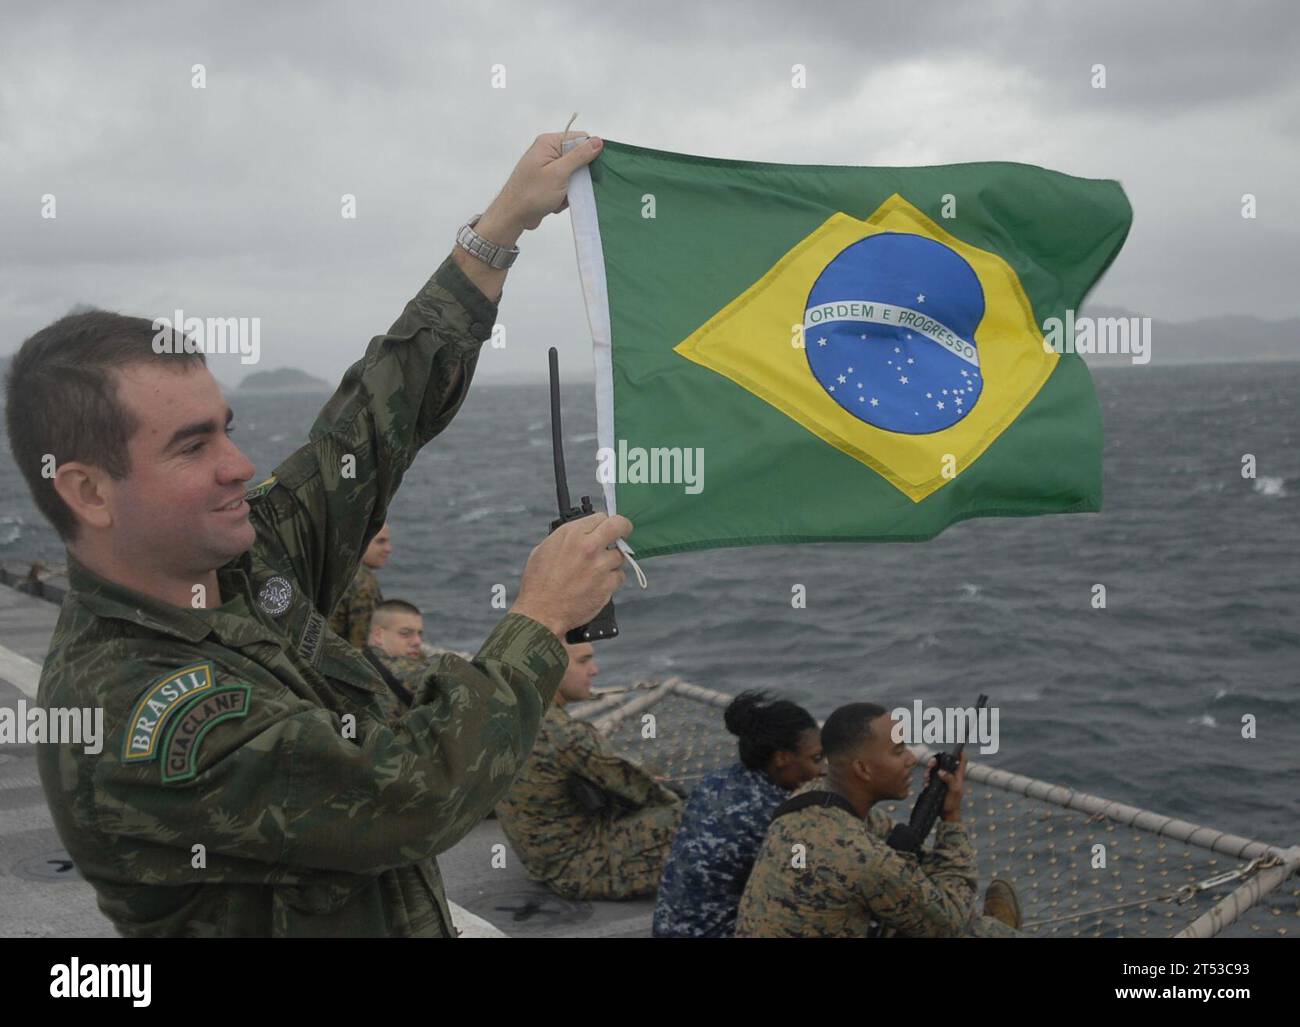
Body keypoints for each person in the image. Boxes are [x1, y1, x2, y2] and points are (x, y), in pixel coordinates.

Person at [7, 130, 629, 938]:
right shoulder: (134, 715)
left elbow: (369, 426)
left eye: (226, 429)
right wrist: (541, 617)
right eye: (193, 446)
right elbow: (413, 793)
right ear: (88, 490)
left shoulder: (238, 558)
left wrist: (500, 226)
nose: (238, 465)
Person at [735, 702, 1024, 938]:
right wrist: (950, 817)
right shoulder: (867, 861)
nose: (911, 758)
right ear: (862, 768)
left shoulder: (806, 799)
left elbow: (883, 847)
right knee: (972, 930)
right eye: (898, 751)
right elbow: (951, 921)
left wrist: (929, 805)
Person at [495, 641, 683, 900]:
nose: (594, 670)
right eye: (583, 661)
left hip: (539, 859)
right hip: (578, 869)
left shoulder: (518, 714)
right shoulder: (565, 733)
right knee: (689, 814)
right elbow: (647, 793)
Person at [653, 690, 823, 937]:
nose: (822, 770)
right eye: (816, 759)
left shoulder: (715, 781)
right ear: (782, 759)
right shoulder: (774, 813)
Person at [328, 521, 391, 649]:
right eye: (380, 542)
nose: (388, 549)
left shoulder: (337, 570)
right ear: (359, 542)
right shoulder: (363, 583)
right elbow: (363, 647)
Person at [361, 598, 428, 707]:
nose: (418, 641)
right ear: (378, 635)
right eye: (405, 633)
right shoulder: (405, 671)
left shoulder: (355, 661)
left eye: (419, 634)